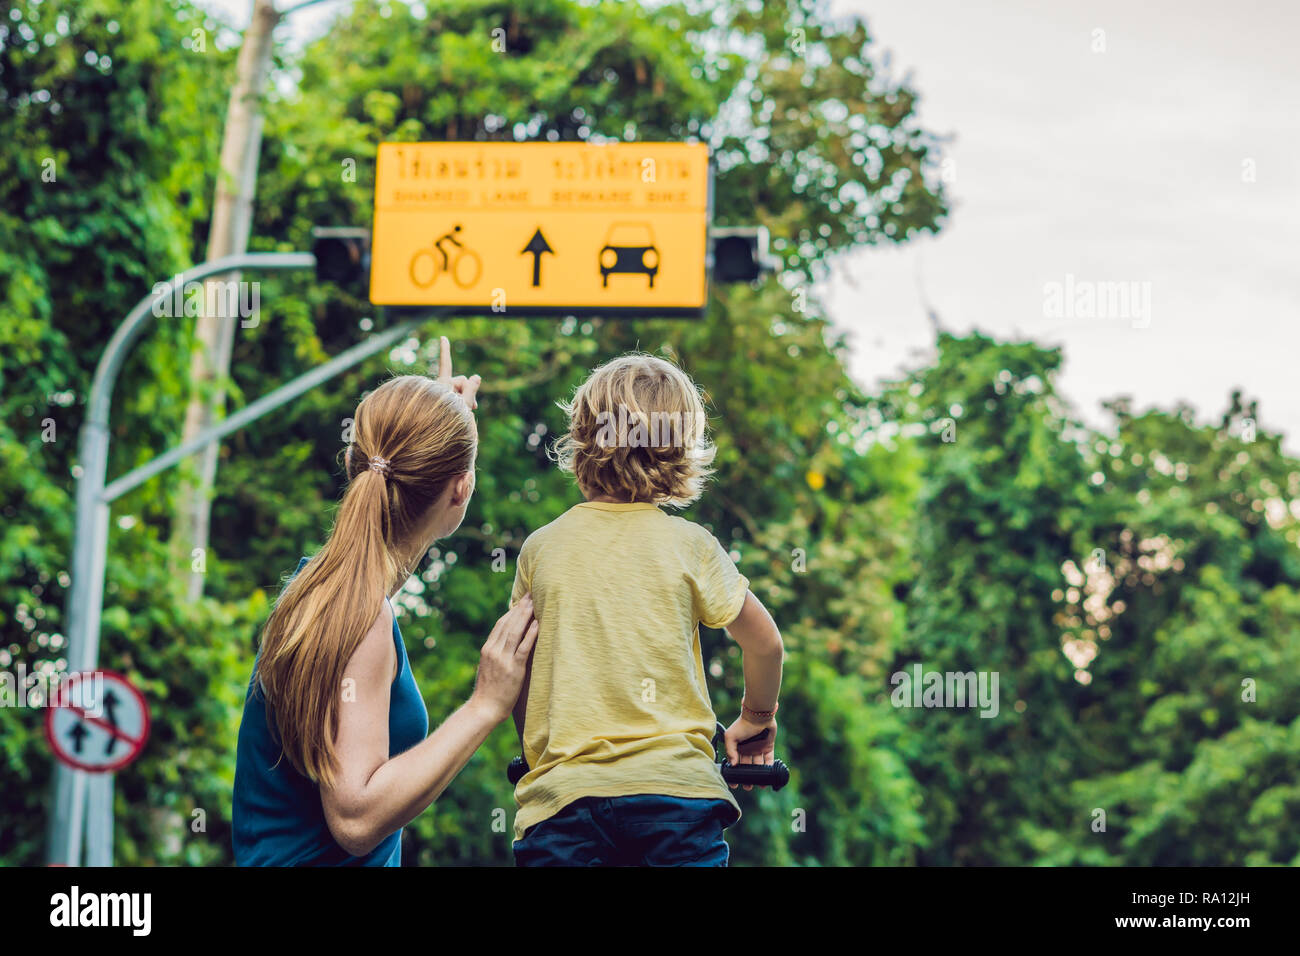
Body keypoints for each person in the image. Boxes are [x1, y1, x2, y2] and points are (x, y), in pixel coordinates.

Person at [233, 338, 537, 866]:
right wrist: (485, 706)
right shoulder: (362, 620)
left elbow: (413, 473)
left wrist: (441, 426)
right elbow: (355, 818)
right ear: (461, 490)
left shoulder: (320, 589)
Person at [509, 353, 785, 867]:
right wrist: (755, 718)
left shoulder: (541, 549)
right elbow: (765, 643)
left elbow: (517, 669)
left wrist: (533, 755)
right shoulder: (692, 545)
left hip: (564, 806)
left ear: (581, 441)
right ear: (679, 452)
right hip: (676, 799)